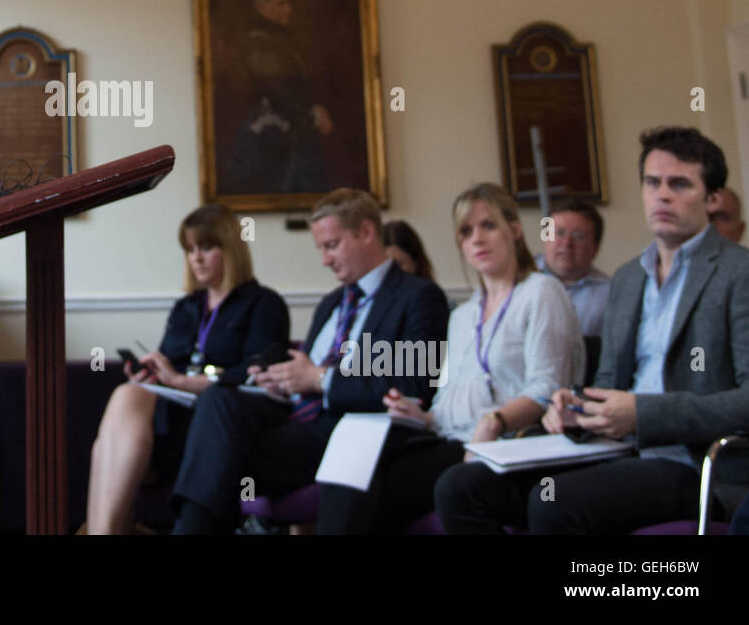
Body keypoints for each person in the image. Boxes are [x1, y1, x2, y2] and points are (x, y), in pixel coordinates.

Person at [435, 127, 749, 534]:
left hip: (692, 462)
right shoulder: (627, 279)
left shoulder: (738, 272)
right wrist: (573, 406)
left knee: (555, 503)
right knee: (460, 487)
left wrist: (643, 414)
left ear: (711, 198)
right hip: (613, 450)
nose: (662, 195)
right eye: (652, 182)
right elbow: (607, 385)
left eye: (679, 184)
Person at [169, 188, 449, 534]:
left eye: (331, 245)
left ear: (366, 232)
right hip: (299, 423)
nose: (324, 260)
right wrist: (281, 379)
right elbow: (303, 376)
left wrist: (320, 379)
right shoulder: (331, 303)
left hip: (353, 430)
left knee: (216, 457)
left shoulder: (418, 297)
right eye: (320, 248)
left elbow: (413, 387)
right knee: (218, 402)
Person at [316, 184, 583, 534]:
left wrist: (494, 421)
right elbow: (448, 399)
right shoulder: (463, 314)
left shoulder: (541, 292)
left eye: (488, 225)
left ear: (515, 230)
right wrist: (422, 416)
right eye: (466, 231)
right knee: (358, 461)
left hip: (514, 444)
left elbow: (548, 387)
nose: (477, 239)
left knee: (375, 490)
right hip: (454, 439)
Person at [83, 205, 289, 534]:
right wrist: (152, 376)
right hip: (167, 420)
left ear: (231, 249)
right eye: (190, 250)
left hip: (216, 423)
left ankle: (106, 530)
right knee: (128, 393)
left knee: (121, 412)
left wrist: (182, 380)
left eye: (206, 248)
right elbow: (170, 363)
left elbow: (255, 375)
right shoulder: (186, 307)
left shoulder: (264, 304)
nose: (197, 258)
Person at [222, 0, 333, 195]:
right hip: (270, 137)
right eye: (280, 3)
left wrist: (315, 107)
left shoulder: (281, 42)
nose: (288, 9)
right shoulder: (258, 44)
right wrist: (312, 111)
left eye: (288, 3)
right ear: (259, 6)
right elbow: (280, 89)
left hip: (293, 134)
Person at [535, 198, 611, 337]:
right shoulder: (518, 277)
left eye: (578, 236)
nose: (566, 244)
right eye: (559, 233)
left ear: (596, 248)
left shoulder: (610, 294)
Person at [383, 219, 437, 284]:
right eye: (386, 264)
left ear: (416, 261)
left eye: (400, 263)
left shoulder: (428, 292)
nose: (392, 270)